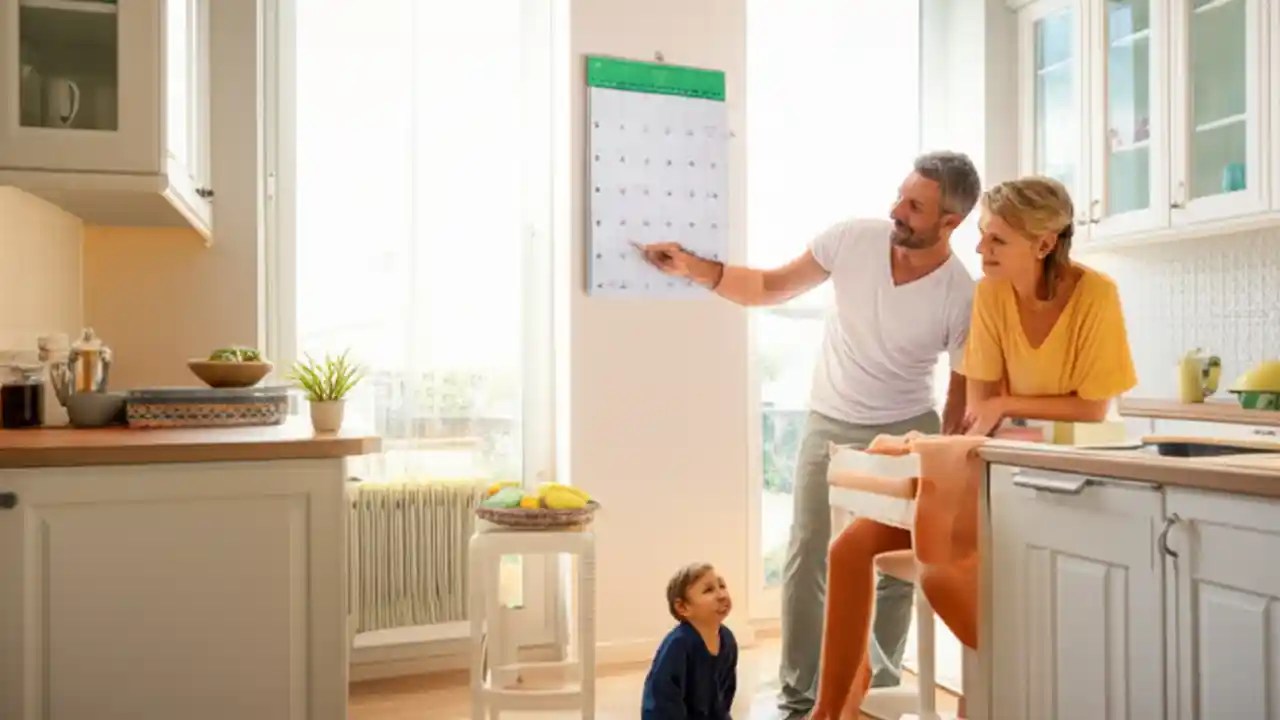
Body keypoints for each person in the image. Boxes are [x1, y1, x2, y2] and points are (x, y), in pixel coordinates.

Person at [640, 151, 983, 719]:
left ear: (950, 222)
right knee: (808, 554)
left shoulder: (960, 294)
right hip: (832, 418)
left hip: (907, 429)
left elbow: (959, 393)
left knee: (899, 566)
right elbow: (772, 286)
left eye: (915, 205)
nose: (897, 209)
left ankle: (872, 692)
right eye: (900, 194)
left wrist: (943, 457)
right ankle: (802, 698)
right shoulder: (852, 239)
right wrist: (694, 268)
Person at [807, 175, 1138, 719]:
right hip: (993, 464)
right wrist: (1003, 408)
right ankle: (831, 708)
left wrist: (1009, 406)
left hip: (1060, 474)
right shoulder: (990, 294)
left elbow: (1092, 407)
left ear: (1044, 243)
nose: (980, 248)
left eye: (996, 239)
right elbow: (979, 406)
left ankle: (984, 697)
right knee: (847, 548)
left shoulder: (1096, 295)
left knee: (945, 566)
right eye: (982, 235)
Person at [641, 562, 738, 720]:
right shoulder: (677, 646)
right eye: (708, 590)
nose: (721, 595)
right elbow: (661, 702)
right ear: (682, 607)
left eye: (722, 586)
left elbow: (724, 697)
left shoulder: (727, 641)